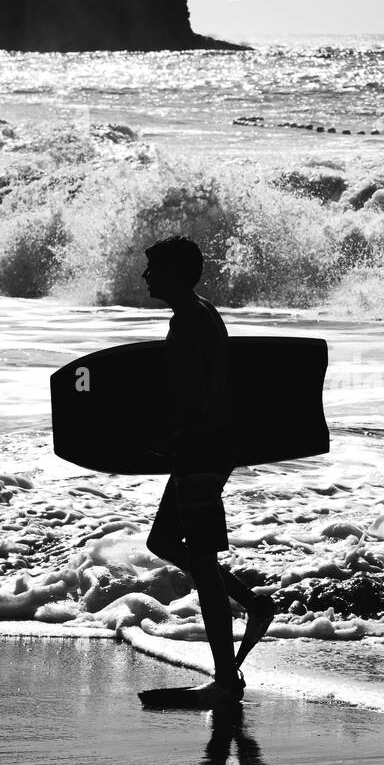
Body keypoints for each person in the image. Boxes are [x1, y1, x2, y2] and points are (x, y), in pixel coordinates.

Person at [136, 235, 274, 709]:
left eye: (154, 268)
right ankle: (254, 604)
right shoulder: (196, 313)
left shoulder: (193, 320)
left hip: (203, 450)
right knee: (163, 541)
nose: (145, 276)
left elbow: (201, 396)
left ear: (175, 273)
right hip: (204, 447)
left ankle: (225, 680)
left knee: (204, 562)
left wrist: (174, 440)